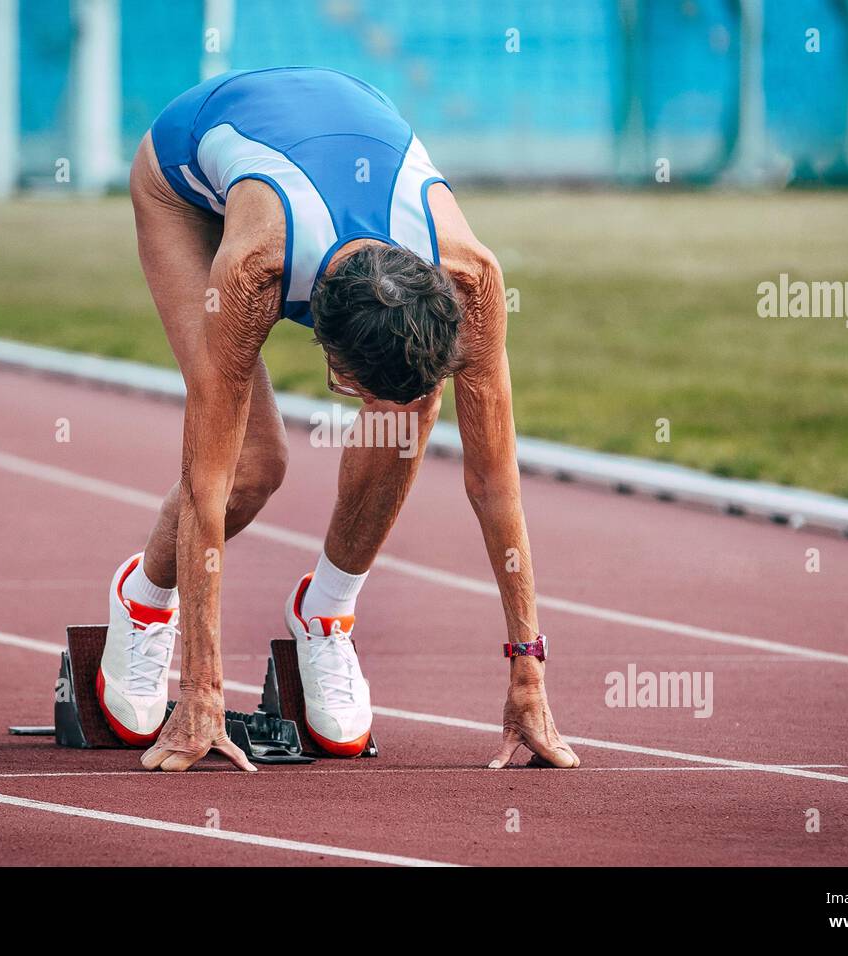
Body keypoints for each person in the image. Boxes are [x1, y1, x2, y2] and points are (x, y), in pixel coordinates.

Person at [98, 66, 579, 772]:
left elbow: (494, 481)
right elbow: (205, 480)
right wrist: (200, 688)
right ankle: (143, 599)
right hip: (184, 181)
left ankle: (325, 609)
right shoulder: (254, 270)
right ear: (333, 369)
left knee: (409, 412)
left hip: (334, 136)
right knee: (255, 466)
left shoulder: (470, 278)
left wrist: (529, 671)